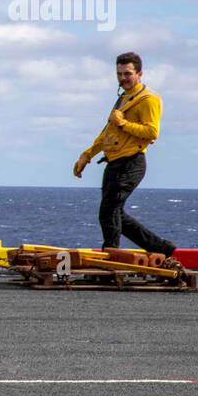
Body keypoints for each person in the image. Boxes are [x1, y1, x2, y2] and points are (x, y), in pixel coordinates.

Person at [73, 52, 177, 258]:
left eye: (127, 73)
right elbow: (108, 133)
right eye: (119, 74)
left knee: (108, 211)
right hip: (114, 162)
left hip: (131, 162)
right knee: (115, 213)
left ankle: (110, 255)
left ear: (140, 73)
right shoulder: (123, 98)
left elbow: (152, 132)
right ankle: (161, 248)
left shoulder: (149, 99)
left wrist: (123, 123)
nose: (123, 78)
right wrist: (87, 155)